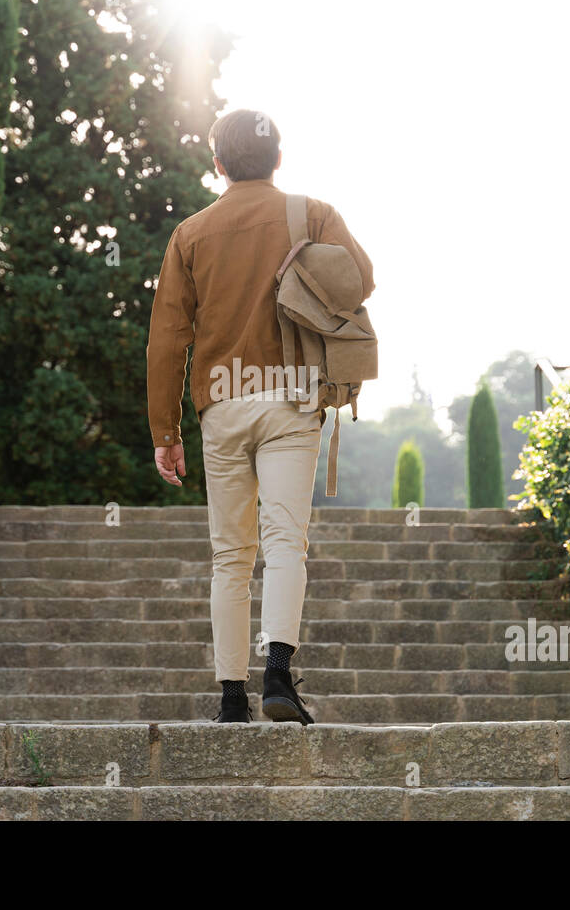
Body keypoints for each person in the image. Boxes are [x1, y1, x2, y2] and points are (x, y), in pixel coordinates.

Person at [145, 109, 375, 724]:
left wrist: (165, 432)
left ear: (217, 163)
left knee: (230, 555)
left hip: (221, 402)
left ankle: (230, 699)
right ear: (278, 158)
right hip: (292, 396)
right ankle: (278, 675)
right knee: (284, 543)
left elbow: (167, 338)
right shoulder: (313, 213)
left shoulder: (190, 234)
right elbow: (361, 281)